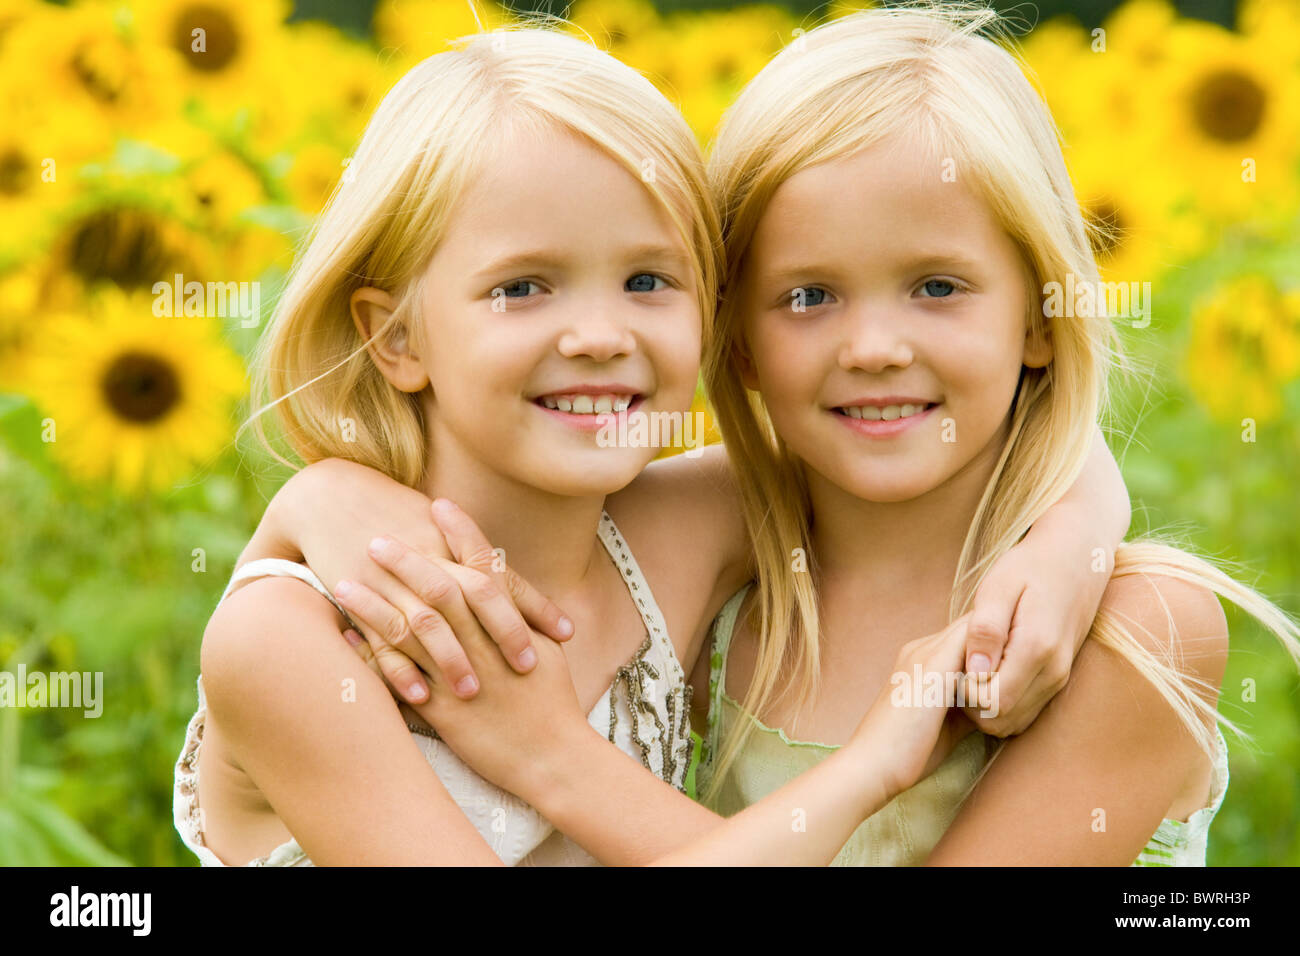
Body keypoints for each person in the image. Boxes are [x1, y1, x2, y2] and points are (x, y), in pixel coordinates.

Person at [251, 5, 1299, 866]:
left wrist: (555, 759)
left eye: (937, 286)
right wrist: (317, 501)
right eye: (806, 296)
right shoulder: (719, 555)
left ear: (1038, 315)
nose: (876, 348)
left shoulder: (1131, 627)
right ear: (734, 333)